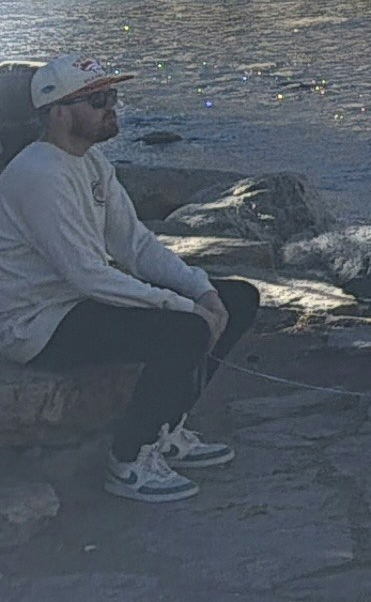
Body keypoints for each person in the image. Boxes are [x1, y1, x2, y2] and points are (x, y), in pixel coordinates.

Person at [0, 57, 258, 505]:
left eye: (113, 96)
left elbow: (136, 246)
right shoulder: (37, 175)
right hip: (36, 323)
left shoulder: (91, 162)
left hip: (76, 300)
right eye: (98, 100)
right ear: (60, 112)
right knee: (184, 329)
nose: (111, 108)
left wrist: (202, 290)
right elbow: (89, 275)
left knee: (237, 298)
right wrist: (182, 308)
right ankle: (130, 462)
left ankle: (167, 428)